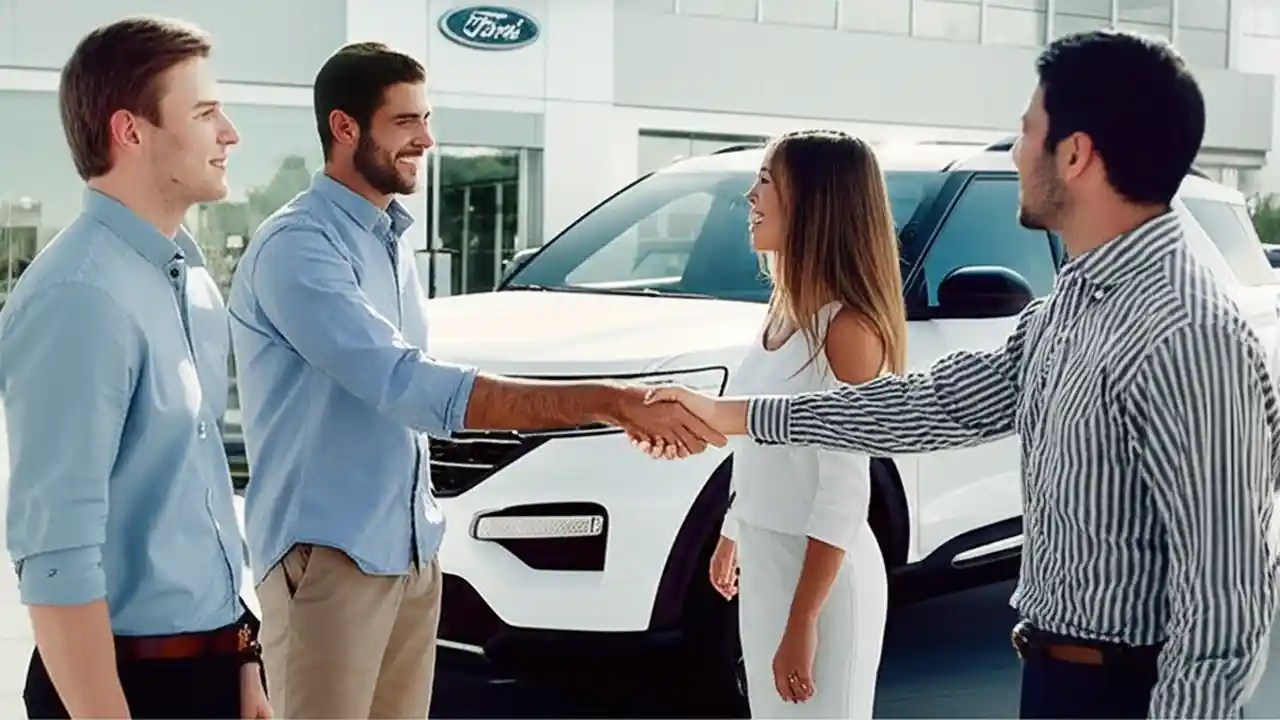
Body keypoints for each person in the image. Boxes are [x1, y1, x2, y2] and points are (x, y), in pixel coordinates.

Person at [644, 29, 1280, 720]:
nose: (1015, 151)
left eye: (1026, 131)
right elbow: (935, 406)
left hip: (1133, 692)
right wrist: (737, 415)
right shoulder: (1072, 303)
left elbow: (1225, 600)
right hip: (1055, 674)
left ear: (1075, 154)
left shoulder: (1190, 333)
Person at [227, 41, 724, 719]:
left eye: (426, 119)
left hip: (408, 556)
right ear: (345, 128)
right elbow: (409, 386)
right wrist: (610, 401)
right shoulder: (299, 248)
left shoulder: (388, 239)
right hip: (329, 560)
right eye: (405, 122)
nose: (426, 139)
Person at [0, 16, 271, 720]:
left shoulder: (190, 282)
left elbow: (199, 502)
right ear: (131, 131)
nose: (230, 133)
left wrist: (243, 661)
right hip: (123, 691)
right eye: (206, 112)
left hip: (211, 672)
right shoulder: (78, 296)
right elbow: (55, 553)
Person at [707, 130, 900, 718]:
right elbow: (761, 443)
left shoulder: (848, 331)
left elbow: (845, 490)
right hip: (766, 562)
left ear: (815, 199)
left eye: (766, 179)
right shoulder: (780, 316)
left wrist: (804, 620)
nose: (750, 194)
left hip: (823, 581)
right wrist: (732, 528)